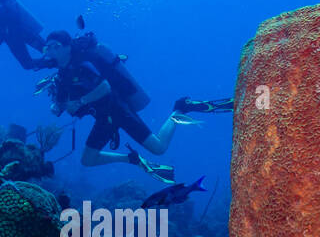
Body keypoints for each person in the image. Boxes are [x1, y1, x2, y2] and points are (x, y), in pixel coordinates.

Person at [42, 30, 228, 180]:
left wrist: (81, 101)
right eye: (47, 48)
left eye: (55, 47)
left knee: (159, 148)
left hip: (118, 110)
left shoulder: (82, 65)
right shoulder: (62, 74)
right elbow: (62, 102)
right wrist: (58, 107)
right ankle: (131, 158)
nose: (50, 51)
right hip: (103, 118)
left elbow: (105, 87)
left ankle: (180, 108)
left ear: (67, 47)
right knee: (88, 160)